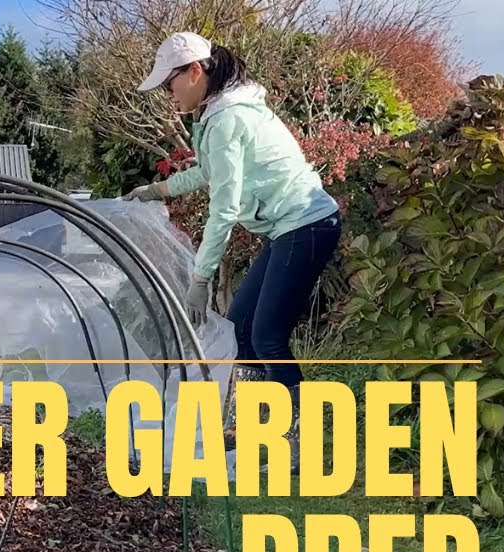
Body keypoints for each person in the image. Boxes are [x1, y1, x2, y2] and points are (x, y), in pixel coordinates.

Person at [124, 31, 342, 466]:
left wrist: (201, 279)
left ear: (195, 71)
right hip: (288, 228)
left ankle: (299, 442)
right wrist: (157, 190)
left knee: (266, 336)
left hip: (308, 223)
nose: (169, 96)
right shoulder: (217, 113)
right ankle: (247, 429)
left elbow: (223, 209)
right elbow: (207, 172)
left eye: (170, 85)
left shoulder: (227, 118)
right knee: (241, 328)